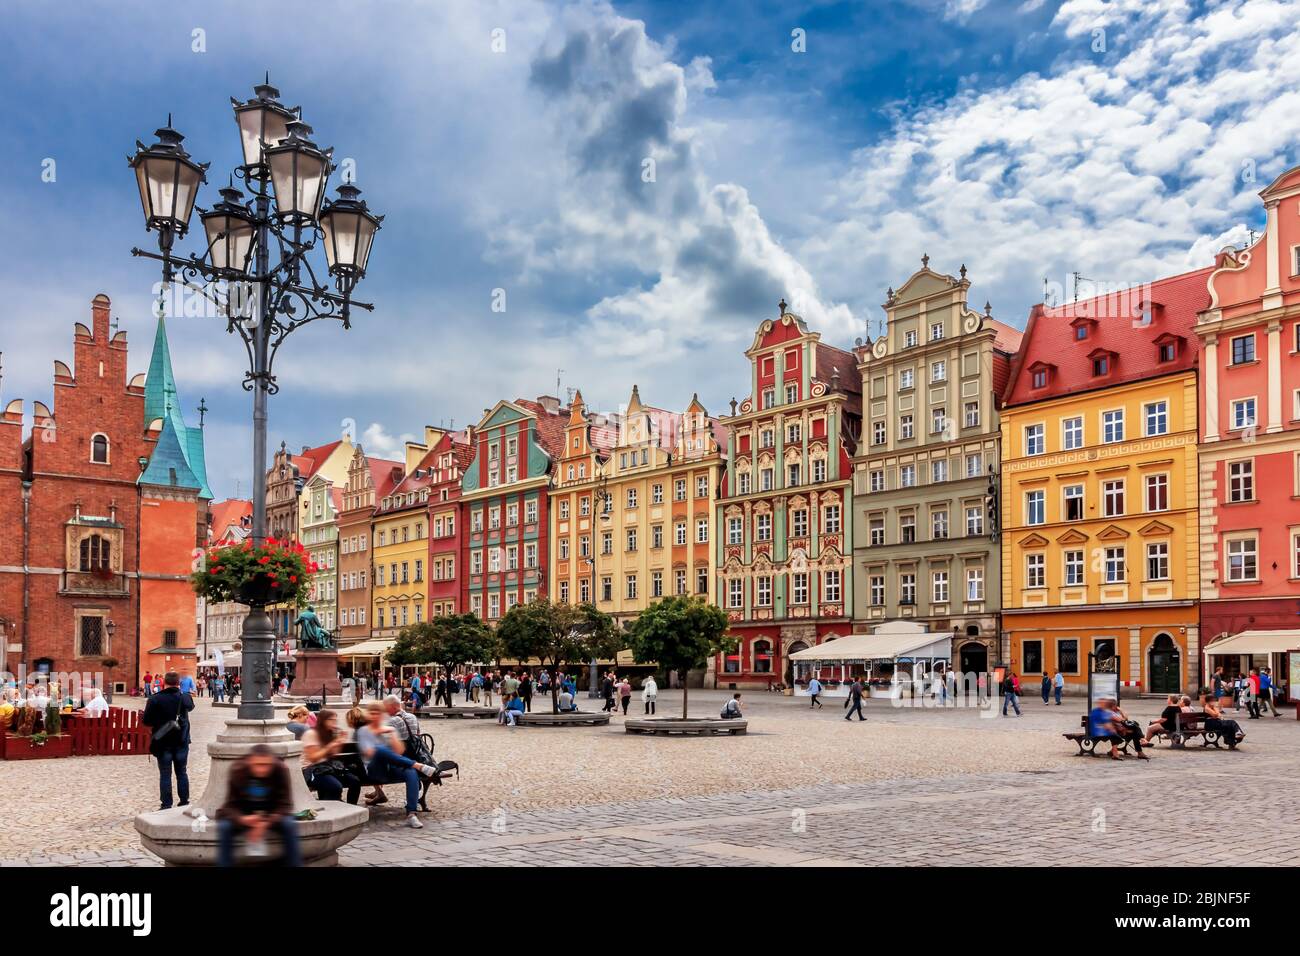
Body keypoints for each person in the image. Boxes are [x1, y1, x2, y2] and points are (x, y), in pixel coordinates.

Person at [216, 744, 301, 867]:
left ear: (272, 762)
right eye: (258, 765)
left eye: (266, 765)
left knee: (289, 824)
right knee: (224, 826)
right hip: (245, 813)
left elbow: (286, 805)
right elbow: (230, 806)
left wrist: (265, 823)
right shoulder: (238, 770)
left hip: (271, 813)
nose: (262, 770)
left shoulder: (281, 770)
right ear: (250, 762)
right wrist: (242, 819)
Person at [356, 701, 437, 828]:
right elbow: (370, 753)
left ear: (383, 715)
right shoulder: (363, 731)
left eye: (378, 713)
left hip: (391, 768)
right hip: (374, 771)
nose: (375, 716)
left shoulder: (388, 728)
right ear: (368, 715)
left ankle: (411, 813)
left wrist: (392, 733)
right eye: (372, 713)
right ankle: (418, 765)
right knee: (379, 750)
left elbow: (399, 751)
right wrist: (377, 734)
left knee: (411, 772)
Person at [142, 671, 194, 810]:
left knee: (165, 773)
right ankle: (184, 801)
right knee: (181, 772)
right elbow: (190, 707)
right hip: (181, 740)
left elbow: (146, 721)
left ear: (164, 682)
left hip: (163, 742)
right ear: (179, 683)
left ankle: (166, 804)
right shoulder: (185, 697)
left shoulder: (155, 699)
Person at [301, 709, 361, 804]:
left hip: (327, 767)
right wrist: (331, 745)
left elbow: (332, 754)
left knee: (355, 781)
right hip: (312, 769)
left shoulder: (329, 733)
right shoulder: (311, 734)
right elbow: (313, 758)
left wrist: (339, 741)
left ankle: (352, 807)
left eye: (335, 720)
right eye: (331, 720)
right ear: (323, 720)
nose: (334, 723)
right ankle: (330, 808)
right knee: (335, 786)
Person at [1087, 696, 1126, 760]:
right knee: (1115, 735)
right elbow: (1098, 724)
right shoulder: (1096, 712)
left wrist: (1112, 727)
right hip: (1097, 732)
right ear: (1099, 703)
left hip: (1103, 731)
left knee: (1117, 733)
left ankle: (1114, 752)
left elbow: (1113, 721)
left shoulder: (1105, 712)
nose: (1104, 704)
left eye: (1105, 703)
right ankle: (1115, 753)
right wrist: (1110, 728)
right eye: (1102, 703)